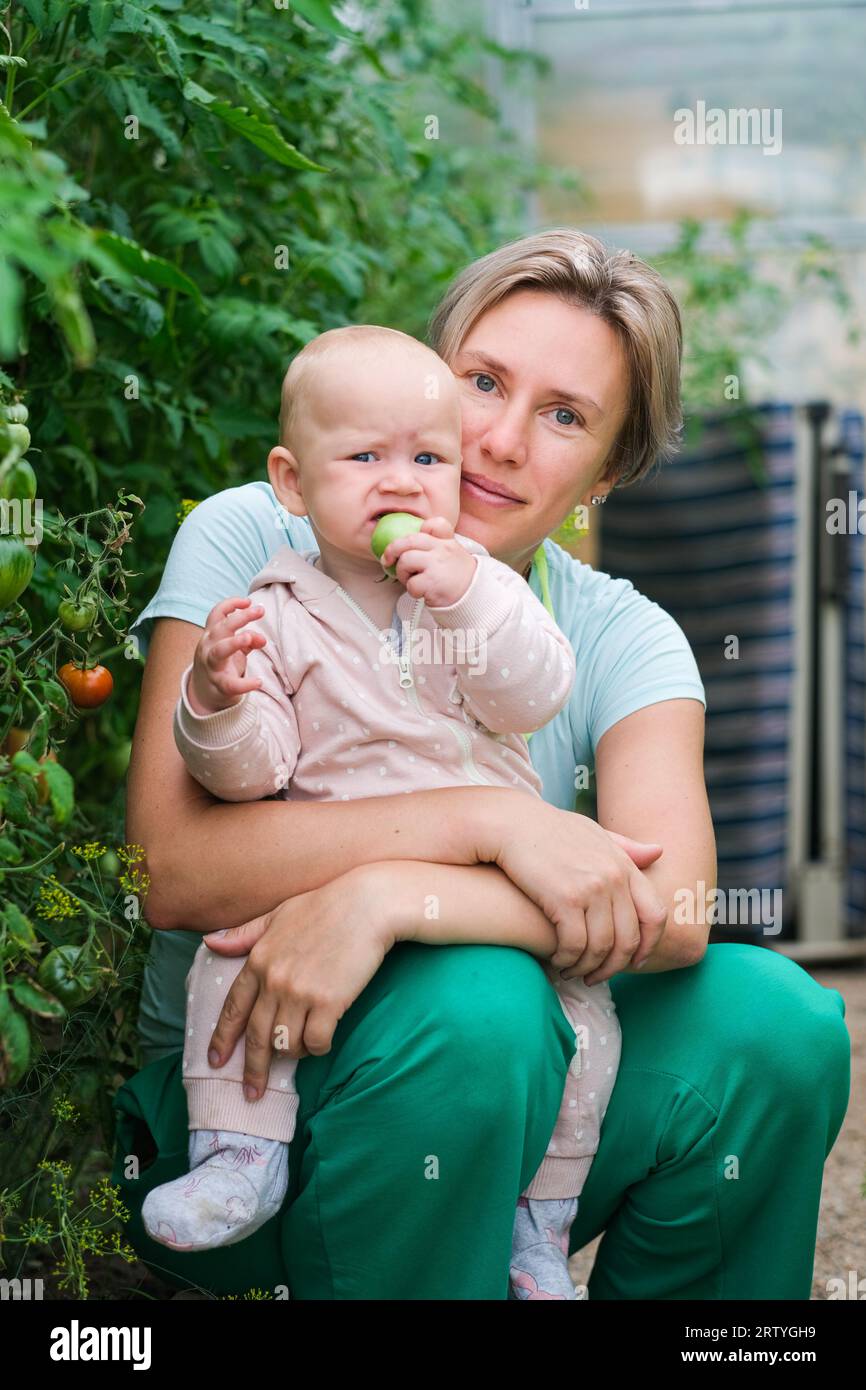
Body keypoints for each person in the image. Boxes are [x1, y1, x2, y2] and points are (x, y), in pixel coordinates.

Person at [114, 229, 850, 1300]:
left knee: (775, 1024)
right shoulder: (258, 534)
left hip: (512, 1120)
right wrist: (491, 824)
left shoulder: (616, 636)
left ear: (607, 468)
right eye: (481, 382)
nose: (501, 440)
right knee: (479, 1002)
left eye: (564, 416)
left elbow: (675, 904)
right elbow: (169, 869)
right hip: (244, 1100)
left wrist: (386, 897)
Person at [139, 325, 616, 1300]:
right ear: (291, 481)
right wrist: (216, 701)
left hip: (468, 910)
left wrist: (470, 602)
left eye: (426, 460)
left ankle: (537, 1224)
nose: (400, 483)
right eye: (364, 458)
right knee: (232, 973)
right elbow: (249, 771)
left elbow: (534, 692)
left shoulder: (479, 593)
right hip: (313, 898)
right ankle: (240, 1157)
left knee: (582, 1026)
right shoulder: (273, 608)